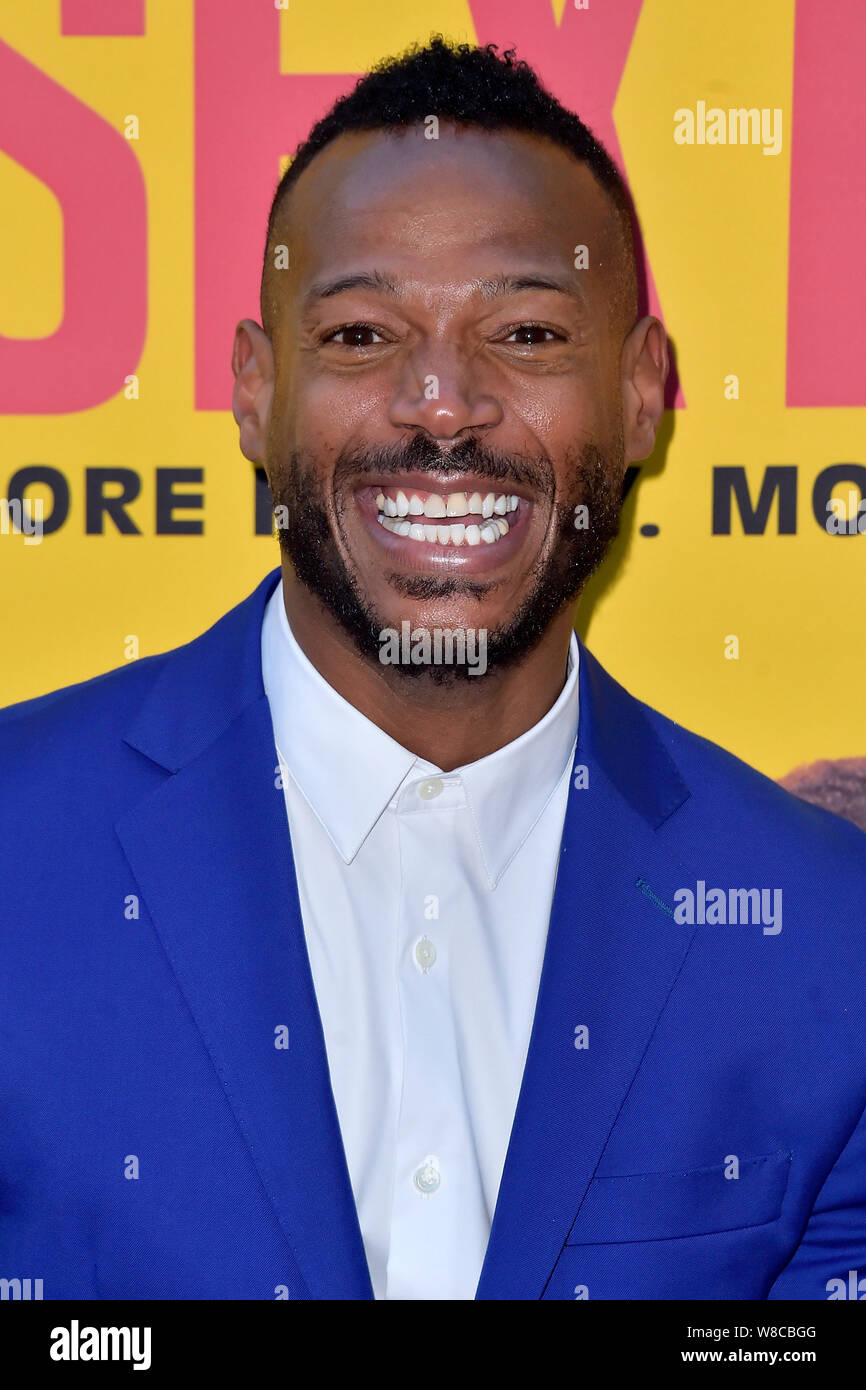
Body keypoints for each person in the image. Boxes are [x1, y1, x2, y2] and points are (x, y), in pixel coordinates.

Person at [2, 38, 865, 1302]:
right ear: (254, 390)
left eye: (523, 330)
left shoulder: (821, 927)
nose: (442, 403)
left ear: (641, 393)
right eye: (360, 333)